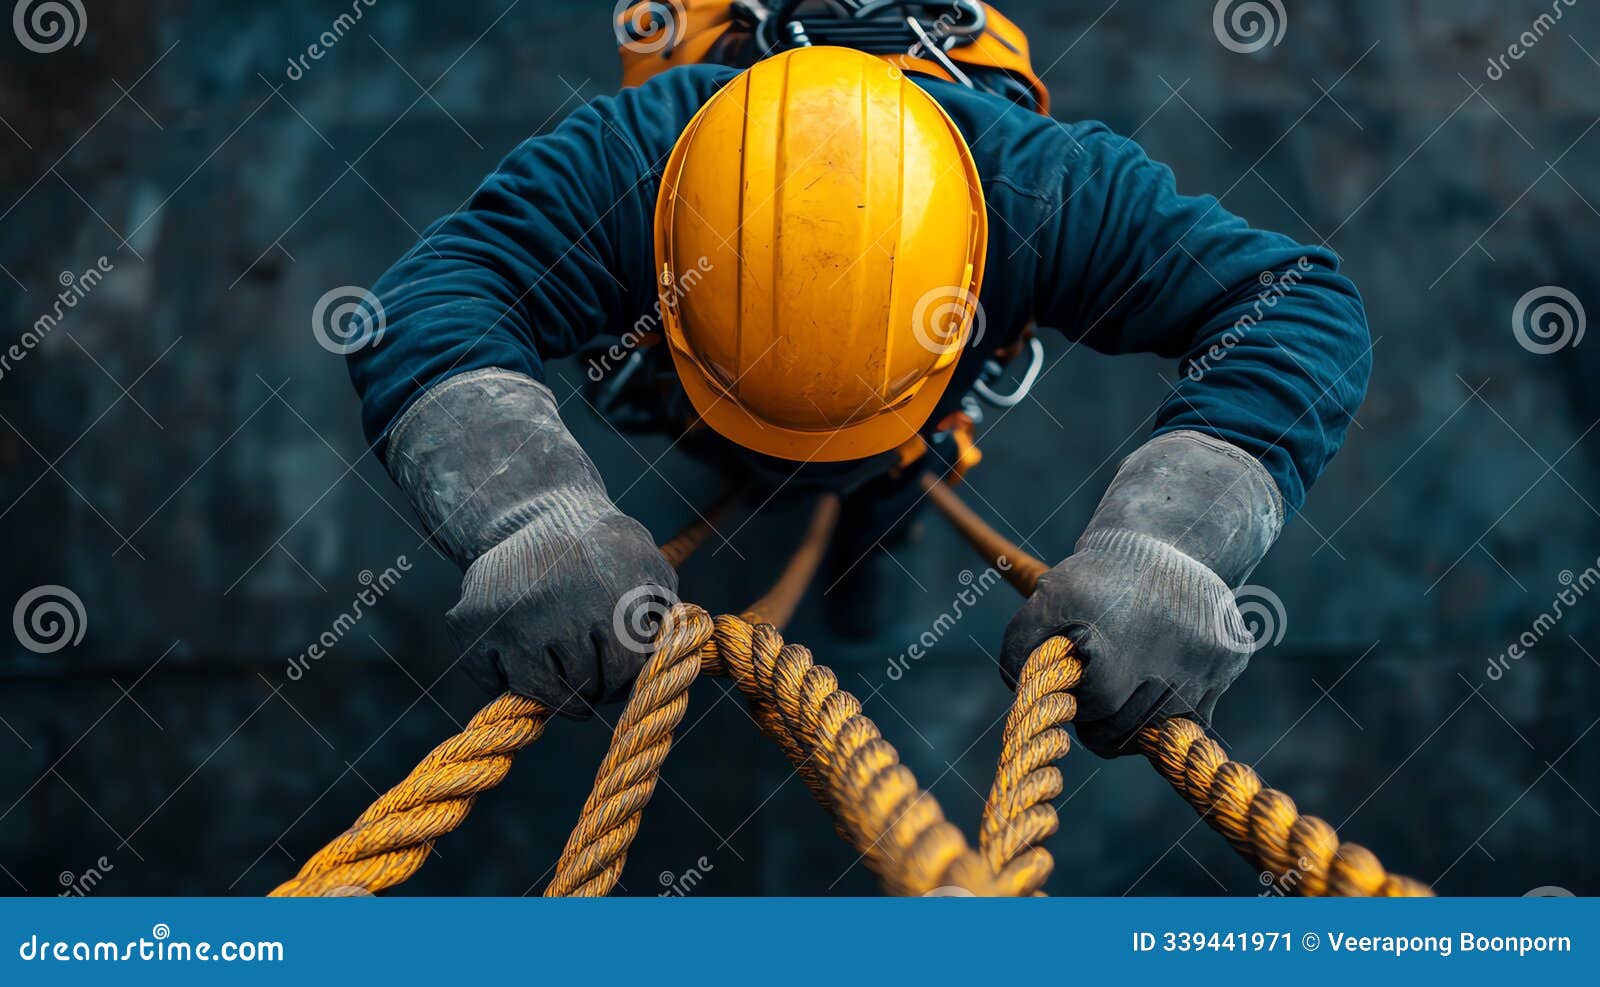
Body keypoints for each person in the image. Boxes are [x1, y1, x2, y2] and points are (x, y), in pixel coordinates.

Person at [347, 3, 1370, 758]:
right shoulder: (645, 159)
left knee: (887, 484)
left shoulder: (1029, 190)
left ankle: (874, 519)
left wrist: (1173, 545)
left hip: (901, 419)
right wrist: (527, 515)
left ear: (973, 274)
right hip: (731, 397)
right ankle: (856, 515)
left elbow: (1294, 304)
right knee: (856, 483)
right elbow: (430, 301)